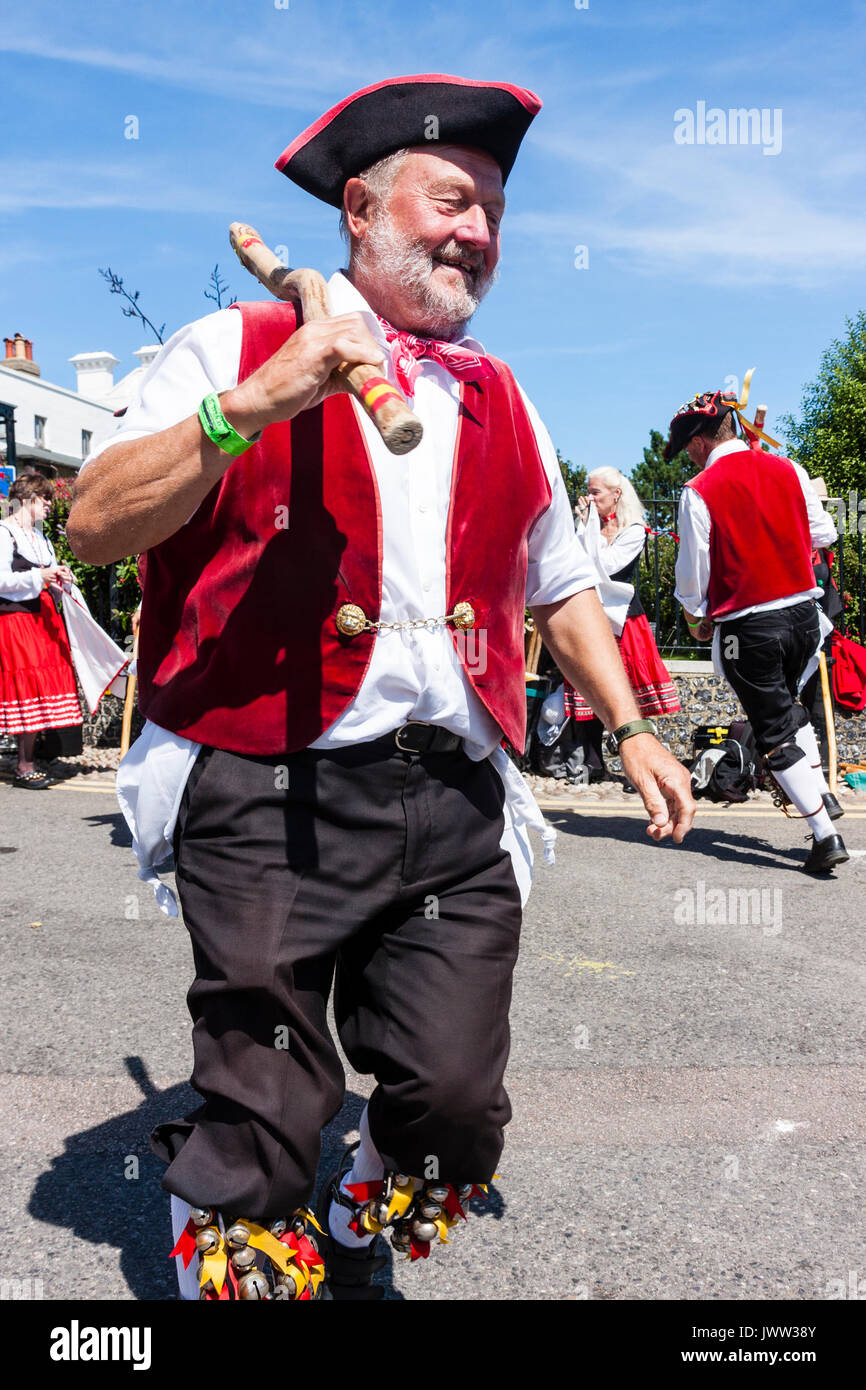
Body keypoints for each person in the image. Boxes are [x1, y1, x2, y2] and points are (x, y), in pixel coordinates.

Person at [69, 74, 695, 1302]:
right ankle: (242, 1236)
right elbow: (94, 520)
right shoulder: (234, 347)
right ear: (359, 209)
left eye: (496, 213)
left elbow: (559, 587)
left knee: (455, 1095)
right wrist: (255, 404)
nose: (477, 231)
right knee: (264, 1100)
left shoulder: (500, 394)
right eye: (453, 197)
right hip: (263, 786)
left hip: (452, 794)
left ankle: (372, 1197)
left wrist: (628, 726)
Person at [670, 387, 846, 875]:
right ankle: (822, 793)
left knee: (773, 729)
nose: (689, 454)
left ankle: (824, 834)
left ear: (701, 440)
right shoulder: (786, 468)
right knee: (791, 709)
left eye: (688, 446)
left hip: (750, 624)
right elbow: (825, 534)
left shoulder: (699, 489)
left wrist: (695, 614)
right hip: (804, 615)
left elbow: (693, 575)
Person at [566, 468, 680, 779]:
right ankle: (591, 762)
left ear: (616, 494)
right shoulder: (587, 526)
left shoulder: (634, 530)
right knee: (588, 685)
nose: (590, 498)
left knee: (630, 693)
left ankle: (639, 764)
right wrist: (586, 524)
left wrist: (588, 528)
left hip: (624, 617)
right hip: (590, 612)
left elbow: (607, 566)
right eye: (588, 491)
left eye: (596, 492)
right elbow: (577, 561)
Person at [0, 472, 79, 788]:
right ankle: (24, 765)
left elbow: (47, 576)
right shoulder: (5, 533)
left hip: (43, 621)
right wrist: (40, 576)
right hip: (18, 621)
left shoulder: (41, 538)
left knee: (38, 689)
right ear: (28, 500)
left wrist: (60, 580)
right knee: (26, 689)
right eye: (44, 498)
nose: (49, 504)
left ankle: (29, 759)